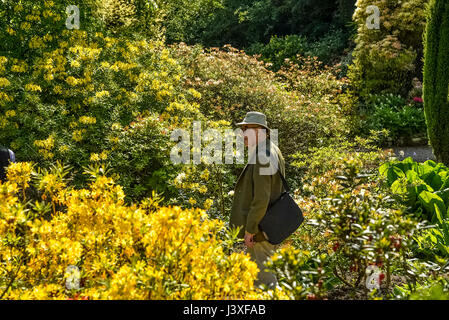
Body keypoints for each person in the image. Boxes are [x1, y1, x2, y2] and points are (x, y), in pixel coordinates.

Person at [230, 111, 285, 289]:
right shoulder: (269, 150)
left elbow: (261, 198)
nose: (242, 133)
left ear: (259, 131)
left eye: (246, 128)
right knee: (259, 279)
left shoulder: (263, 155)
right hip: (268, 225)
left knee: (264, 283)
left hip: (261, 230)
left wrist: (251, 229)